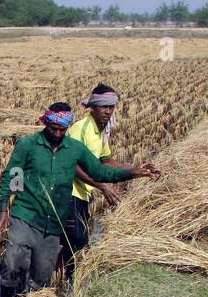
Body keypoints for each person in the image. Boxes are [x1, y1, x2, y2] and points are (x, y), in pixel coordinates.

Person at [0, 103, 158, 297]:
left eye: (62, 129)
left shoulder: (75, 150)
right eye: (52, 128)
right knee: (12, 266)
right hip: (25, 215)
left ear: (67, 127)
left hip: (53, 224)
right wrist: (3, 209)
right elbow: (13, 176)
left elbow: (99, 171)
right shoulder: (28, 145)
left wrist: (134, 172)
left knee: (41, 279)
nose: (56, 133)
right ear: (45, 123)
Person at [62, 83, 152, 264]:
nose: (108, 111)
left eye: (111, 107)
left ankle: (65, 283)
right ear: (92, 108)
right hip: (68, 194)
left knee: (74, 245)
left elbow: (106, 161)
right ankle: (60, 285)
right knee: (75, 244)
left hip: (83, 195)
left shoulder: (100, 132)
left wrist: (137, 169)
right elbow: (71, 166)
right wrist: (101, 185)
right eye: (104, 107)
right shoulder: (80, 129)